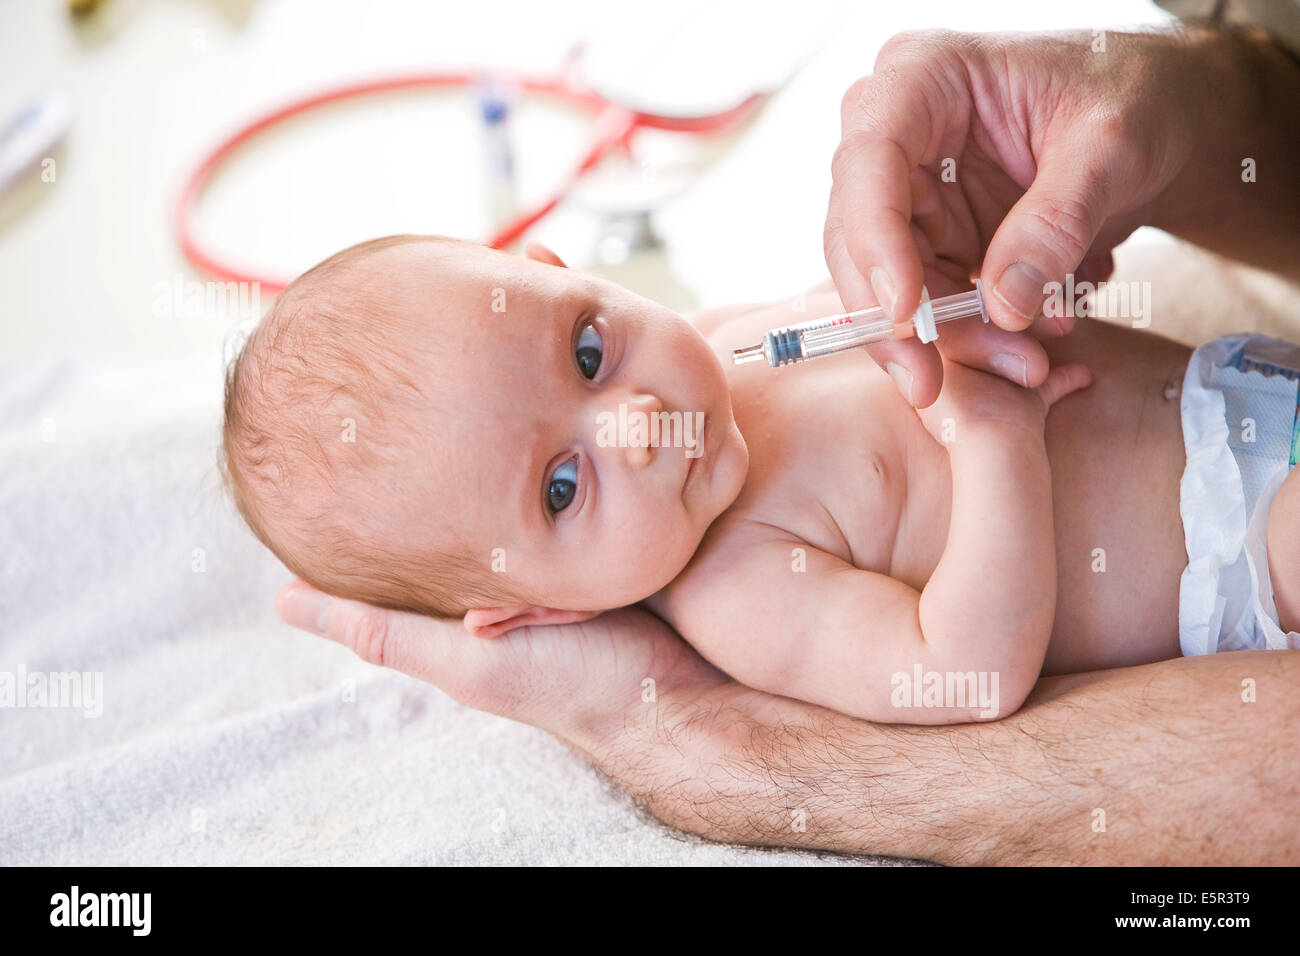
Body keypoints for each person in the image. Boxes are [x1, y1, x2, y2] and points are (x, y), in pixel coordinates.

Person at [272, 21, 1300, 862]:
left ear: (563, 267)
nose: (636, 421)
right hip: (1237, 539)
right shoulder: (737, 588)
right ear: (530, 608)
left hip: (1232, 382)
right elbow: (962, 669)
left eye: (586, 348)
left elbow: (901, 311)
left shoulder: (724, 341)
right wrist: (994, 439)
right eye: (559, 489)